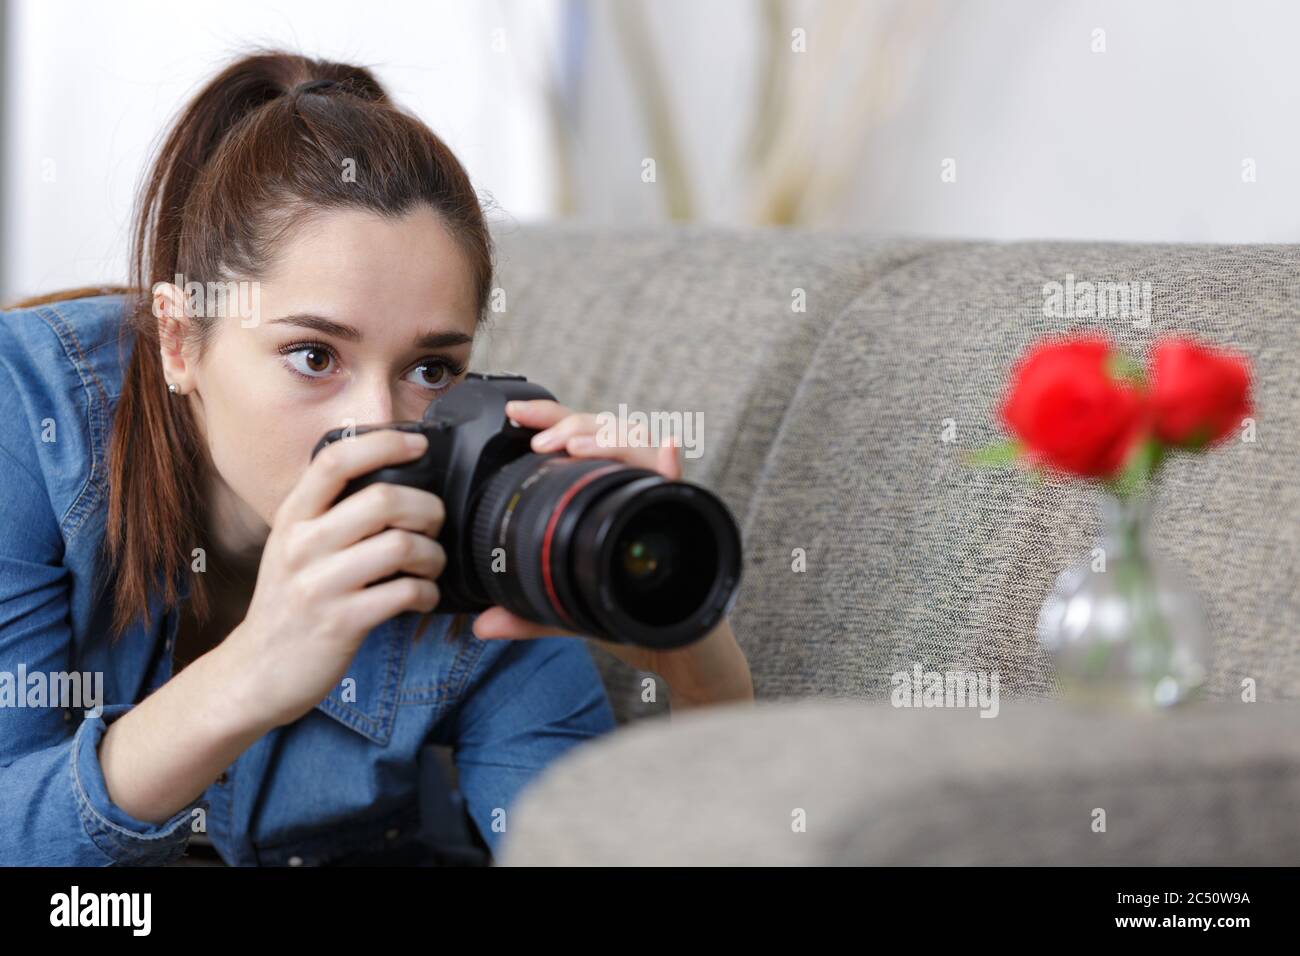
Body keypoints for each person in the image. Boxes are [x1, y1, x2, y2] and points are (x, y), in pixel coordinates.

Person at [0, 51, 753, 866]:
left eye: (430, 370)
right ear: (180, 341)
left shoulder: (489, 522)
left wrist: (706, 686)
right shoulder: (32, 418)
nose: (377, 427)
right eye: (314, 356)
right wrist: (248, 675)